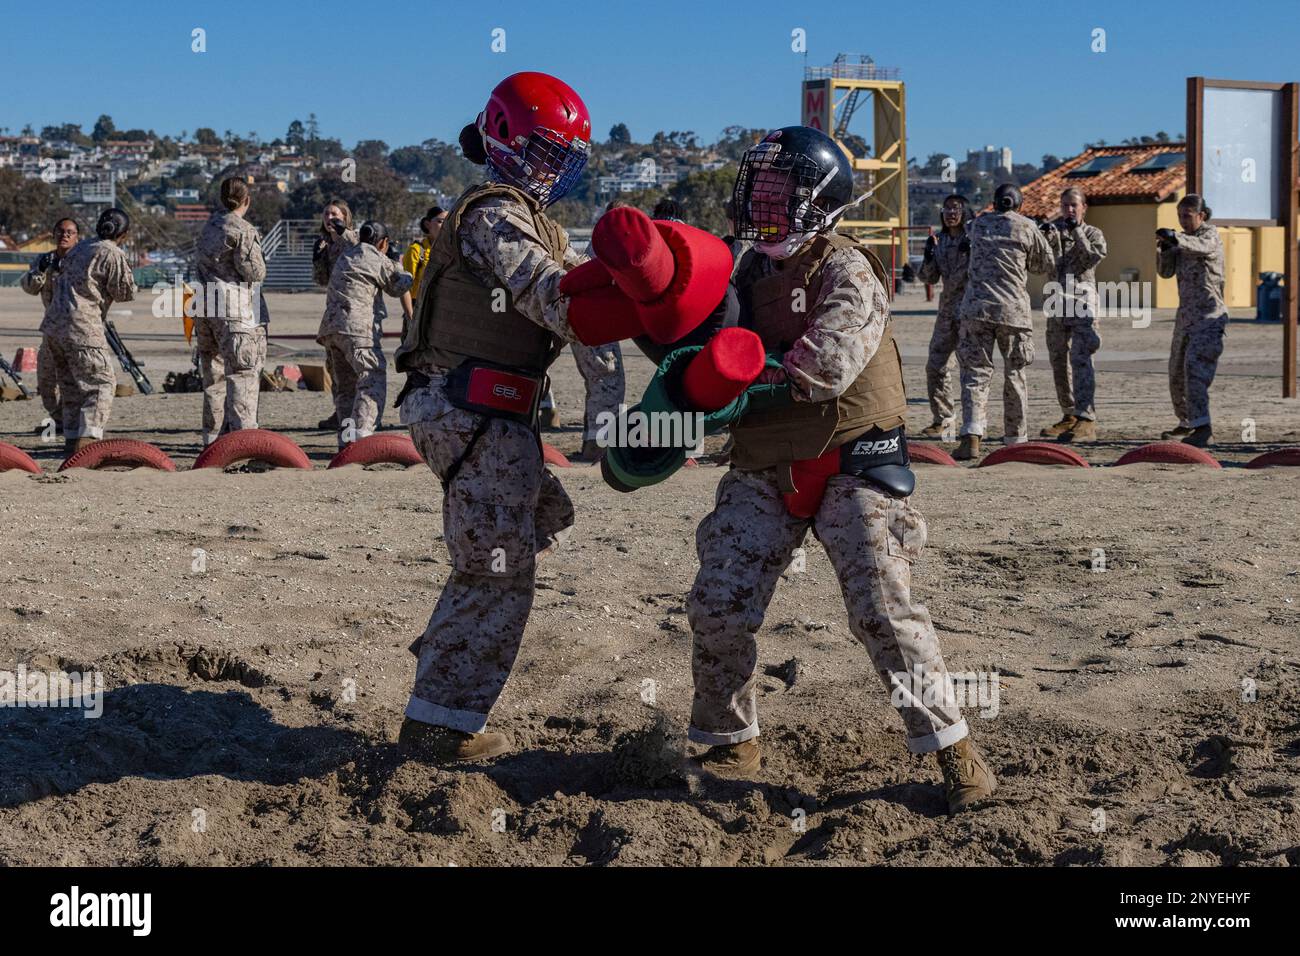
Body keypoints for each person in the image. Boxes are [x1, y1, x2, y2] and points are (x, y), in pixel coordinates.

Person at [682, 126, 995, 814]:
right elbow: (696, 342)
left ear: (818, 202)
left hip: (854, 454)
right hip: (766, 463)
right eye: (756, 191)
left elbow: (824, 368)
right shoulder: (743, 273)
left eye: (777, 193)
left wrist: (730, 387)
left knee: (883, 609)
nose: (760, 205)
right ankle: (730, 738)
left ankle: (951, 747)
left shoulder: (847, 266)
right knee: (716, 603)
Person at [393, 71, 592, 761]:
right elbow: (553, 295)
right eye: (543, 152)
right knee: (497, 568)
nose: (553, 170)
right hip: (469, 407)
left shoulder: (527, 218)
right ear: (504, 140)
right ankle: (438, 725)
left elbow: (575, 278)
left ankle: (448, 648)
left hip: (484, 411)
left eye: (563, 158)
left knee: (539, 520)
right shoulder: (495, 214)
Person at [954, 182, 1055, 460]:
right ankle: (1016, 439)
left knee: (975, 373)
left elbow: (964, 247)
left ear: (995, 202)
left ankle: (972, 435)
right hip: (1013, 313)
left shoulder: (976, 225)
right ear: (1018, 204)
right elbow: (1043, 265)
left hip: (976, 309)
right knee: (1015, 375)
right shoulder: (1026, 227)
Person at [40, 208, 137, 455]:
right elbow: (126, 293)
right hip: (82, 326)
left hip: (53, 327)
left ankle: (72, 443)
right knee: (102, 384)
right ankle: (88, 445)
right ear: (123, 234)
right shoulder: (110, 252)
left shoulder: (80, 247)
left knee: (72, 387)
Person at [317, 220, 413, 445]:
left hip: (332, 330)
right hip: (358, 331)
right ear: (384, 243)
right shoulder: (377, 259)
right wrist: (397, 262)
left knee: (346, 388)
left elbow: (354, 240)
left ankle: (346, 440)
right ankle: (361, 437)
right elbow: (399, 286)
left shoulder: (348, 253)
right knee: (372, 379)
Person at [193, 177, 269, 444]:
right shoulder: (242, 230)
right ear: (246, 200)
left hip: (205, 305)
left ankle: (212, 440)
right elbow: (255, 273)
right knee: (242, 374)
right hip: (233, 308)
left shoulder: (209, 226)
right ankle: (242, 441)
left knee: (213, 377)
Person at [1157, 194, 1226, 448]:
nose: (1183, 221)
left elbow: (1202, 247)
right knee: (1176, 371)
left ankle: (1203, 427)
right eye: (1179, 216)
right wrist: (1165, 249)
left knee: (1195, 370)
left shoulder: (1210, 235)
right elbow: (1165, 272)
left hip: (1208, 318)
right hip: (1185, 318)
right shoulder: (1182, 240)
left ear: (1201, 216)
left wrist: (1176, 238)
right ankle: (1186, 422)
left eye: (1187, 215)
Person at [1039, 187, 1107, 442]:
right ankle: (1069, 414)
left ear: (1083, 208)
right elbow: (1039, 263)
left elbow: (1092, 257)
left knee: (1081, 359)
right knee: (1058, 361)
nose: (1068, 210)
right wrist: (1044, 238)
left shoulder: (1092, 233)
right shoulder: (1053, 233)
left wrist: (1076, 229)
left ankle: (1086, 417)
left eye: (1073, 206)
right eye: (1065, 205)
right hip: (1056, 302)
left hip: (1082, 302)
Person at [915, 195, 971, 439]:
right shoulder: (940, 241)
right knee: (935, 366)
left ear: (965, 211)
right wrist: (928, 257)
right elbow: (929, 278)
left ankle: (973, 426)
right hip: (947, 313)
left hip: (971, 312)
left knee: (971, 371)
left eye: (956, 208)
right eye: (946, 208)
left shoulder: (974, 239)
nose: (950, 213)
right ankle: (944, 420)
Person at [20, 216, 80, 434]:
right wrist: (40, 272)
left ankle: (72, 421)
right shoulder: (44, 260)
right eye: (61, 231)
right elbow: (29, 287)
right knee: (46, 379)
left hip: (77, 329)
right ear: (54, 234)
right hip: (52, 328)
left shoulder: (82, 260)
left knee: (72, 378)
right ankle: (58, 419)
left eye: (70, 232)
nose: (64, 235)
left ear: (77, 237)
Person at [312, 199, 359, 431]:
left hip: (353, 312)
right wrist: (318, 258)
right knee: (333, 367)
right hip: (332, 314)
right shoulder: (325, 243)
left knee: (353, 369)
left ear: (345, 216)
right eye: (326, 214)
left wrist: (344, 232)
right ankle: (340, 411)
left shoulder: (352, 238)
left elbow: (360, 249)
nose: (329, 218)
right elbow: (321, 281)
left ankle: (355, 415)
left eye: (334, 214)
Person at [402, 205, 447, 309]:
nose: (445, 226)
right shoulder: (416, 250)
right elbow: (405, 289)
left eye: (448, 222)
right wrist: (410, 317)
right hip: (418, 307)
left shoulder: (452, 251)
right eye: (440, 222)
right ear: (428, 224)